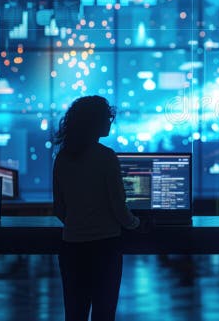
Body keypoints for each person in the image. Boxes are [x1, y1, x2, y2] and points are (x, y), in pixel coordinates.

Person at [52, 96, 140, 321]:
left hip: (71, 248)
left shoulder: (63, 157)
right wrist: (137, 224)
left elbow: (59, 208)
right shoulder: (106, 157)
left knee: (75, 314)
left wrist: (79, 222)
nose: (110, 122)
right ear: (95, 122)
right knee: (104, 314)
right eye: (107, 118)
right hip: (105, 249)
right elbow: (119, 208)